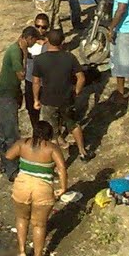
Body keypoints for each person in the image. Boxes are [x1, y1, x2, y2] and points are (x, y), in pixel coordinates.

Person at [3, 120, 66, 256]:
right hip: (42, 188)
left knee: (21, 218)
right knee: (39, 225)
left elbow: (8, 156)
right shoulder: (52, 148)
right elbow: (62, 168)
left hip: (22, 185)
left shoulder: (22, 143)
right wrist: (63, 187)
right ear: (49, 134)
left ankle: (22, 250)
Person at [31, 28, 90, 162]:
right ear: (62, 42)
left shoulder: (40, 60)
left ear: (47, 42)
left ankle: (59, 162)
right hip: (66, 99)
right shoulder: (69, 57)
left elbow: (36, 82)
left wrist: (36, 99)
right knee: (73, 124)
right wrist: (76, 92)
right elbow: (81, 78)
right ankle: (83, 152)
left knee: (52, 133)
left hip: (48, 100)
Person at [0, 28, 32, 182]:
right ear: (27, 38)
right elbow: (21, 75)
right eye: (31, 42)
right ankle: (12, 169)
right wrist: (25, 56)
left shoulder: (13, 49)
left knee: (4, 131)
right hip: (7, 95)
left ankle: (4, 163)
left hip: (8, 93)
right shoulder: (16, 51)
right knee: (11, 133)